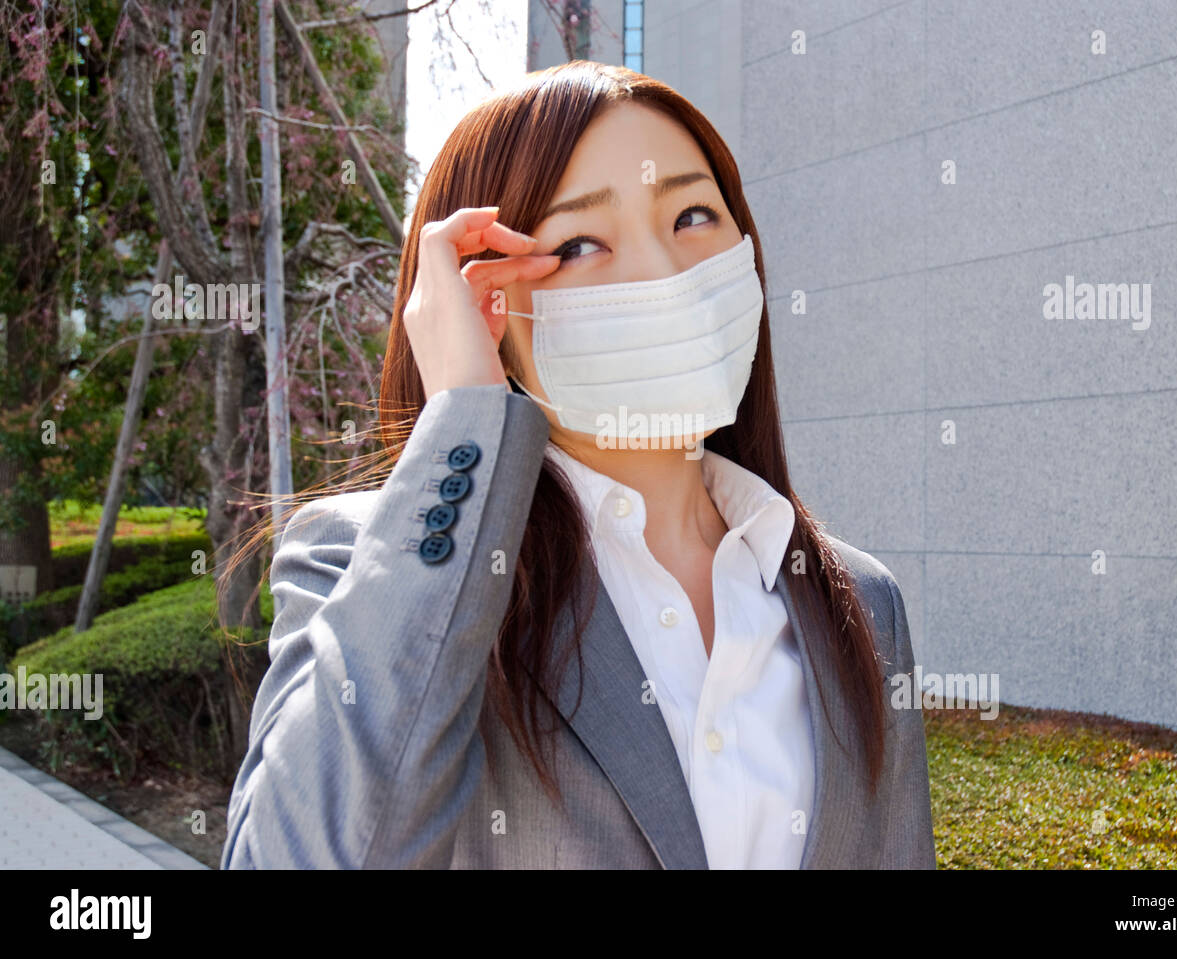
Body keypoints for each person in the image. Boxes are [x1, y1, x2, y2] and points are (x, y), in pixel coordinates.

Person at [221, 59, 935, 870]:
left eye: (694, 214)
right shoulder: (380, 563)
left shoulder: (860, 602)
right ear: (490, 302)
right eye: (582, 241)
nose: (664, 275)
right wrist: (466, 418)